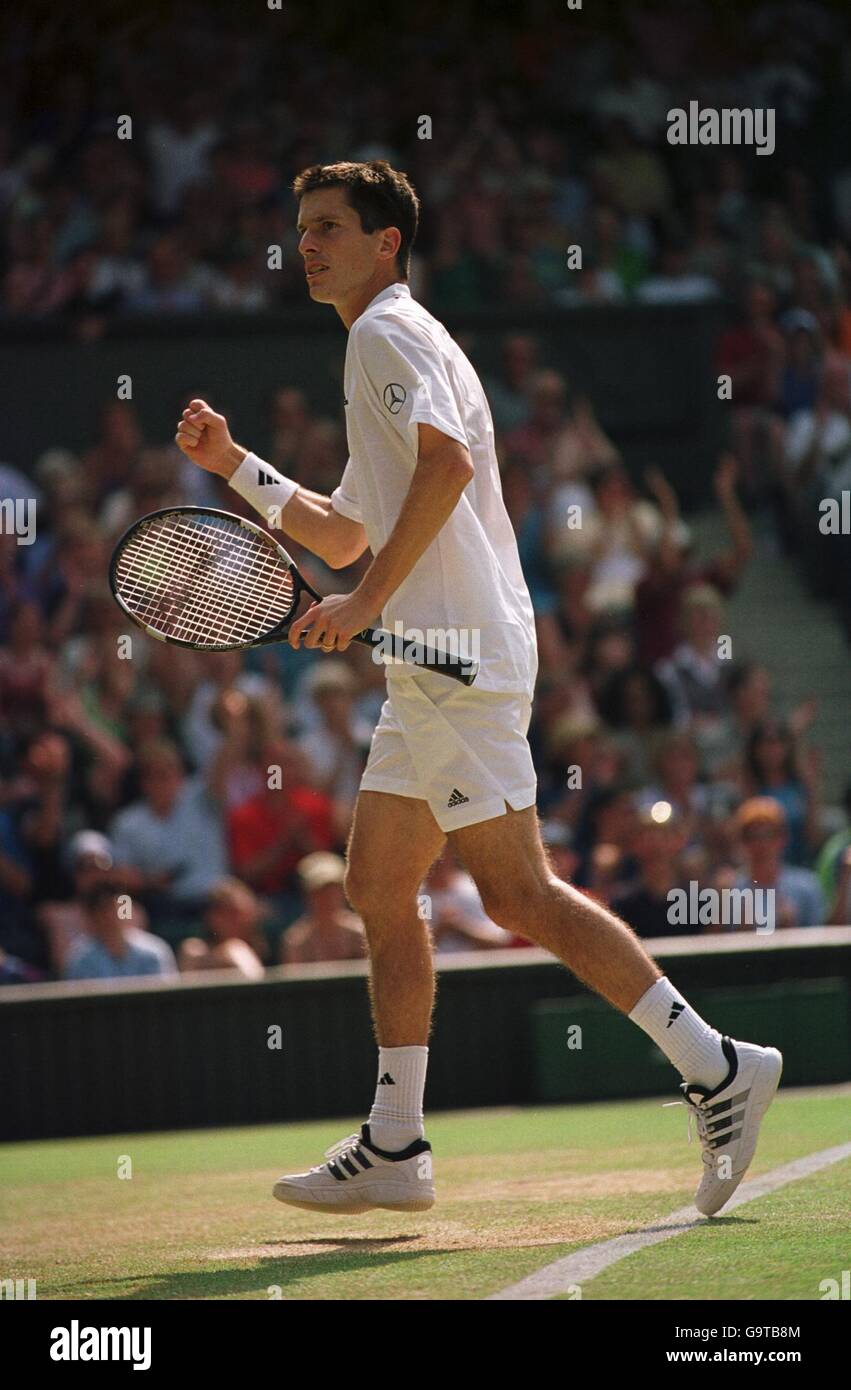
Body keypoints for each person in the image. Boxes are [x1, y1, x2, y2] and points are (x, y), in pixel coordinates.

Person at [175, 158, 782, 1220]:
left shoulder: (385, 335)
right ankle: (397, 1141)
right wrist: (236, 463)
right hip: (432, 665)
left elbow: (445, 469)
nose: (307, 244)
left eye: (328, 227)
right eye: (301, 228)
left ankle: (716, 1064)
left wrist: (360, 603)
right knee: (375, 883)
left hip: (454, 658)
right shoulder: (385, 343)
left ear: (384, 243)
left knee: (515, 894)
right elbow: (346, 527)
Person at [63, 880, 177, 981]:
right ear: (92, 916)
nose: (109, 916)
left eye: (114, 908)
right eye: (102, 910)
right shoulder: (80, 958)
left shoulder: (154, 951)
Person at [280, 852, 366, 965]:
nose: (327, 897)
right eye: (319, 891)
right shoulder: (296, 943)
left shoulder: (360, 935)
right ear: (307, 895)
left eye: (333, 890)